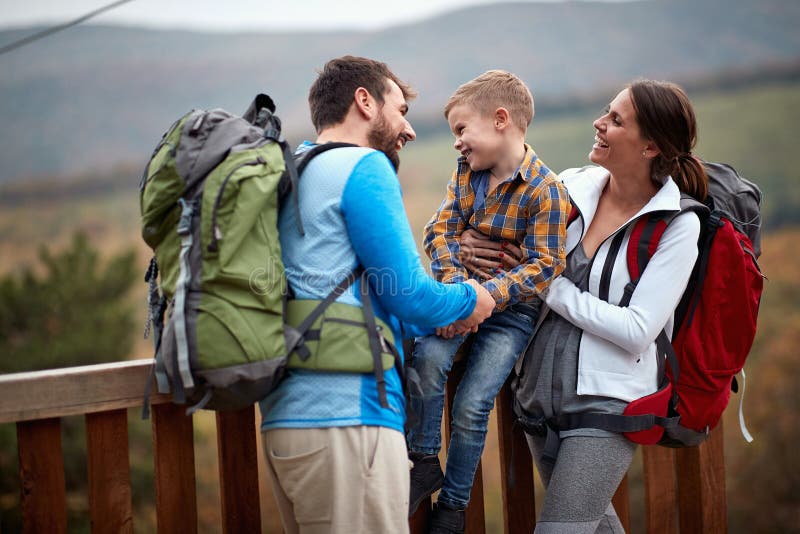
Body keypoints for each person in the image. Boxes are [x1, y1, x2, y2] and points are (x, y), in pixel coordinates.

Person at [257, 56, 496, 534]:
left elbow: (361, 293)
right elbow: (407, 292)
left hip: (286, 421)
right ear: (364, 102)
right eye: (400, 109)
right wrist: (473, 300)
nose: (407, 128)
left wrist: (435, 318)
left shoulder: (294, 170)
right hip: (348, 419)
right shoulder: (362, 165)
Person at [509, 79, 708, 533]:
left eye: (616, 120)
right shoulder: (570, 186)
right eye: (606, 111)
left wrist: (548, 286)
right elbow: (515, 243)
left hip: (606, 405)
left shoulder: (676, 225)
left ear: (649, 147)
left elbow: (637, 328)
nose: (599, 123)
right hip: (536, 394)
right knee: (593, 527)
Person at [406, 70, 569, 533]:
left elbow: (544, 264)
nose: (457, 142)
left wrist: (487, 294)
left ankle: (454, 506)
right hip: (462, 297)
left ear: (501, 120)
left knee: (474, 403)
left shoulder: (545, 190)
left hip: (512, 314)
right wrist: (461, 288)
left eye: (462, 129)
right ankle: (422, 459)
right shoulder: (467, 174)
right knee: (429, 356)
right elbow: (437, 229)